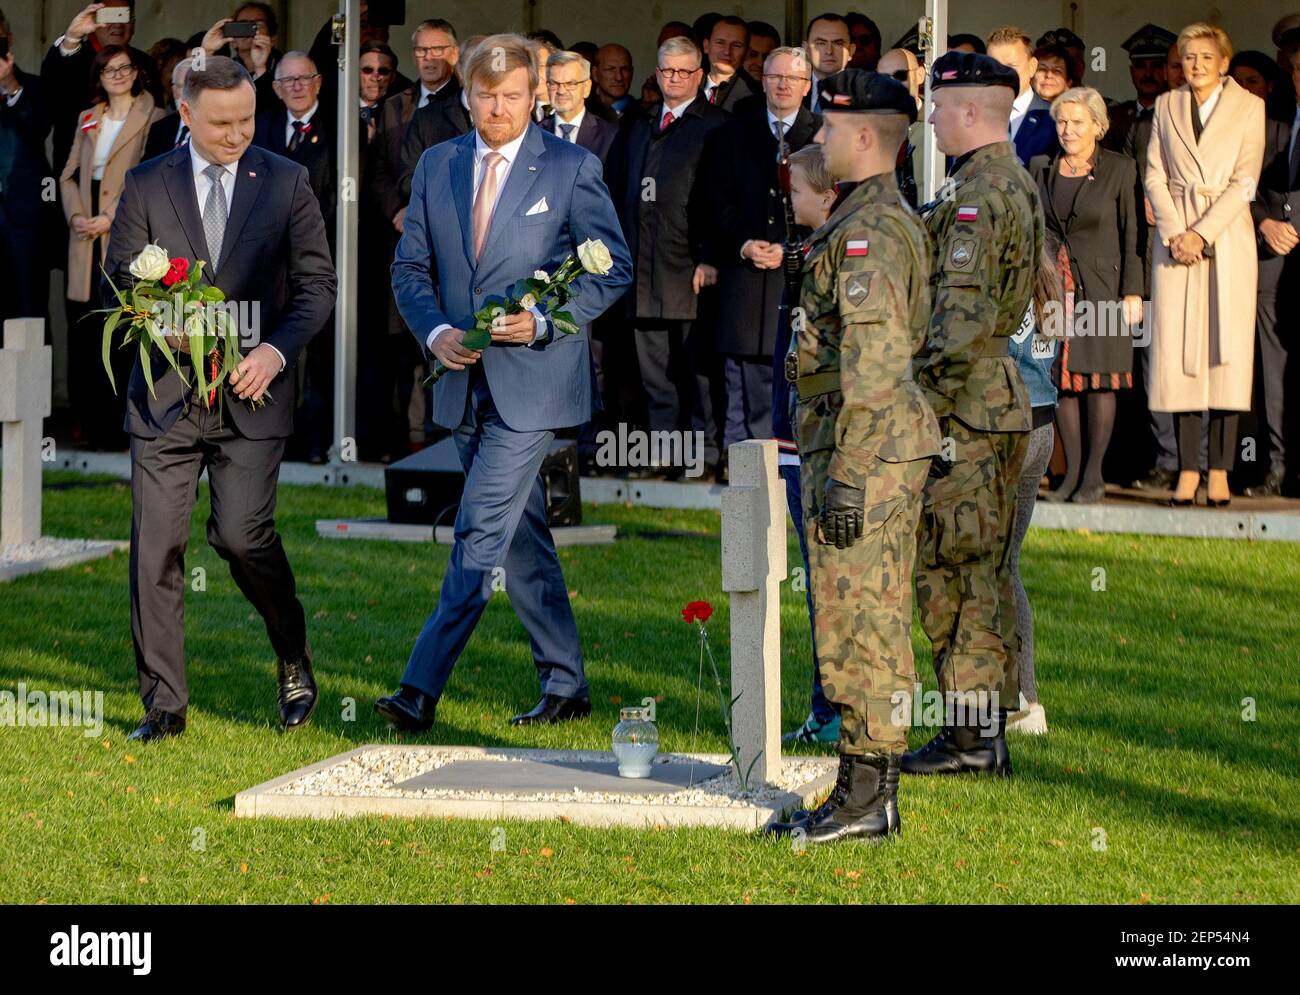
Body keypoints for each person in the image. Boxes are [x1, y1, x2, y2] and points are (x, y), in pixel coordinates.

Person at [378, 34, 632, 732]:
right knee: (523, 536)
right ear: (467, 94)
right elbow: (410, 269)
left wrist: (546, 320)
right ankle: (565, 682)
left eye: (513, 96)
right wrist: (435, 332)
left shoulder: (573, 168)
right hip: (461, 380)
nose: (499, 108)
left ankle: (418, 687)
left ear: (536, 95)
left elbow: (613, 268)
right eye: (486, 96)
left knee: (479, 530)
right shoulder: (437, 165)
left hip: (536, 388)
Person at [104, 56, 336, 741]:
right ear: (186, 115)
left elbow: (318, 288)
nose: (238, 134)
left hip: (251, 396)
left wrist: (273, 351)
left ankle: (292, 652)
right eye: (222, 123)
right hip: (166, 397)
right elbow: (122, 278)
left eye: (246, 119)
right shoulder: (147, 184)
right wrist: (156, 320)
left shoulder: (287, 181)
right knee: (156, 550)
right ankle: (165, 706)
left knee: (240, 536)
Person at [766, 69, 940, 845]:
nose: (819, 140)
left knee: (859, 618)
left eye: (830, 130)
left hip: (862, 451)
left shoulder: (871, 231)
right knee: (867, 615)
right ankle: (870, 790)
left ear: (864, 137)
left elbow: (874, 365)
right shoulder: (865, 219)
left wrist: (847, 475)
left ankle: (865, 796)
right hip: (862, 446)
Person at [906, 51, 1043, 777]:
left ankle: (972, 738)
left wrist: (912, 416)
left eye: (936, 105)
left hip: (966, 410)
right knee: (975, 571)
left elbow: (956, 327)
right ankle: (975, 733)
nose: (929, 117)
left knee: (955, 573)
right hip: (991, 401)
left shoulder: (978, 198)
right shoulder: (1001, 182)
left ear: (967, 110)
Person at [1145, 23, 1264, 508]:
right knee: (1180, 361)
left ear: (1224, 63)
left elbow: (1246, 182)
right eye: (1188, 56)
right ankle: (1186, 471)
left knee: (1225, 360)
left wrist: (1202, 233)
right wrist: (1177, 233)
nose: (1195, 65)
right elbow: (1154, 173)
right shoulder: (1165, 105)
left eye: (1205, 57)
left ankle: (1220, 471)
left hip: (1226, 241)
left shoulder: (1249, 107)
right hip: (1176, 245)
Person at [605, 35, 729, 478]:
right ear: (656, 73)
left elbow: (723, 200)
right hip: (643, 270)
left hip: (692, 270)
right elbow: (616, 188)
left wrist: (710, 256)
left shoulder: (716, 125)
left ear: (699, 75)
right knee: (654, 375)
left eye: (683, 71)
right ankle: (661, 454)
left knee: (697, 374)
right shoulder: (638, 123)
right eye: (666, 70)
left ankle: (705, 456)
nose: (674, 78)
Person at [701, 46, 818, 450]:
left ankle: (789, 466)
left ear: (807, 86)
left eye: (793, 78)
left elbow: (830, 205)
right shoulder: (732, 134)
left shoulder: (821, 135)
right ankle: (742, 469)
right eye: (775, 76)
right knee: (741, 381)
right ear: (763, 81)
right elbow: (714, 202)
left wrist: (791, 249)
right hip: (745, 280)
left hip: (802, 277)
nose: (783, 84)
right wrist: (745, 244)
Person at [1031, 87, 1142, 504]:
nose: (1068, 130)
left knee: (1100, 380)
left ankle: (1094, 474)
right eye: (1061, 121)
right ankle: (1070, 473)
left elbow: (1135, 233)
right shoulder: (1042, 168)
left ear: (1098, 126)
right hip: (1055, 290)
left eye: (1078, 122)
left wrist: (1133, 291)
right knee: (1064, 382)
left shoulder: (1120, 169)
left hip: (1104, 288)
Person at [60, 44, 164, 451]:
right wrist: (75, 217)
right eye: (109, 69)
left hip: (125, 233)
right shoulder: (88, 118)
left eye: (125, 68)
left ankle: (122, 429)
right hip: (85, 237)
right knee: (86, 334)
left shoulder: (154, 117)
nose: (118, 74)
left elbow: (148, 176)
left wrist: (113, 218)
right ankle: (91, 427)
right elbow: (67, 174)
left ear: (137, 73)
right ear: (98, 76)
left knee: (122, 333)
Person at [771, 143, 839, 744]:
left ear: (827, 195)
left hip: (819, 440)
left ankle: (834, 706)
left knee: (829, 577)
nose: (788, 204)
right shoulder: (809, 253)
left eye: (795, 193)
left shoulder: (832, 258)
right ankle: (831, 702)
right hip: (799, 435)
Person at [253, 52, 336, 464]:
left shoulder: (339, 127)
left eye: (305, 78)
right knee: (272, 344)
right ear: (275, 89)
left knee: (318, 353)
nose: (297, 86)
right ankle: (274, 438)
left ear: (319, 82)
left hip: (317, 256)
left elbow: (340, 197)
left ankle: (316, 443)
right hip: (268, 258)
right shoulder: (262, 125)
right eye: (288, 81)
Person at [1005, 237, 1063, 735]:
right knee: (1008, 564)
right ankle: (1023, 698)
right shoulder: (1049, 281)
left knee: (998, 566)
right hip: (1042, 425)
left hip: (1010, 429)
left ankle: (1020, 697)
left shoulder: (1006, 281)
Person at [1245, 45, 1300, 498]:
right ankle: (1279, 467)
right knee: (1274, 373)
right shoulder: (1271, 129)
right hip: (1274, 263)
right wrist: (1265, 222)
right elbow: (1246, 186)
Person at [0, 8, 52, 323]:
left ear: (8, 38)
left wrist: (9, 83)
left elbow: (39, 130)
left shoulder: (31, 86)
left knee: (27, 310)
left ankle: (30, 376)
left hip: (22, 220)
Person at [987, 25, 1059, 165]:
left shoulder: (1055, 119)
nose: (1001, 74)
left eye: (1011, 67)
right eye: (993, 66)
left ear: (1032, 67)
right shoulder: (972, 117)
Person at [541, 50, 617, 162]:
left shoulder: (610, 135)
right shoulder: (535, 133)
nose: (561, 91)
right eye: (554, 83)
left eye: (570, 84)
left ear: (587, 87)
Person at [701, 15, 760, 111]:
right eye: (720, 43)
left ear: (746, 52)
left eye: (736, 45)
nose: (727, 51)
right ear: (706, 46)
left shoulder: (754, 94)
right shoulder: (687, 83)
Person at [143, 58, 192, 160]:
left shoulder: (214, 128)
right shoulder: (159, 128)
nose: (186, 93)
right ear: (174, 91)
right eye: (181, 86)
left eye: (192, 86)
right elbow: (147, 168)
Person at [804, 13, 852, 113]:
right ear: (806, 49)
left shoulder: (865, 92)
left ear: (851, 50)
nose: (829, 51)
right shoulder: (790, 88)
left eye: (838, 43)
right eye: (821, 43)